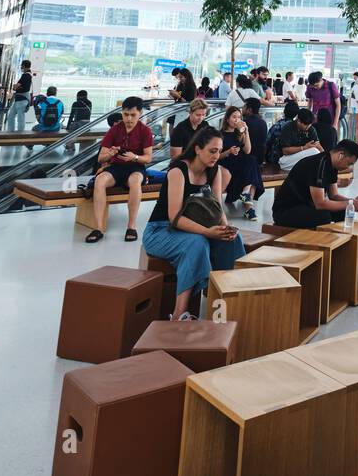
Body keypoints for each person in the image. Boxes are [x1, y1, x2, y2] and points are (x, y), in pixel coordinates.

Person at [141, 125, 245, 320]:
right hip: (161, 230)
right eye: (212, 151)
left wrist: (225, 228)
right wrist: (207, 232)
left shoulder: (215, 172)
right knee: (197, 243)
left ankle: (225, 299)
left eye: (219, 151)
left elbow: (218, 208)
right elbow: (175, 217)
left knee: (232, 240)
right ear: (198, 149)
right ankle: (180, 312)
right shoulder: (178, 170)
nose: (216, 155)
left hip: (195, 229)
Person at [86, 96, 154, 244]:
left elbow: (148, 158)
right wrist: (109, 154)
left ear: (140, 113)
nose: (128, 118)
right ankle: (98, 228)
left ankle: (131, 226)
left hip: (135, 167)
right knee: (100, 180)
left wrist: (134, 157)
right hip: (116, 167)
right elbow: (101, 158)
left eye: (133, 115)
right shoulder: (115, 130)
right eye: (125, 114)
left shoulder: (145, 131)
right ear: (122, 113)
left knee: (135, 181)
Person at [272, 139, 358, 229]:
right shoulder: (319, 164)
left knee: (343, 211)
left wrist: (352, 202)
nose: (348, 167)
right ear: (340, 155)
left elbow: (334, 195)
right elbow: (320, 203)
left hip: (306, 206)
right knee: (323, 216)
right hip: (286, 210)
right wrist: (349, 204)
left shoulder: (331, 165)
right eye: (349, 163)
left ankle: (340, 241)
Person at [219, 105, 263, 220]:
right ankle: (248, 205)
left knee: (252, 160)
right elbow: (216, 157)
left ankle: (246, 197)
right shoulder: (220, 135)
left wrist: (246, 132)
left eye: (239, 117)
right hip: (227, 164)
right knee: (252, 169)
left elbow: (247, 151)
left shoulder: (239, 134)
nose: (237, 120)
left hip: (240, 164)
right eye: (234, 117)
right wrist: (228, 151)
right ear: (227, 119)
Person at [270, 106, 321, 171]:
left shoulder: (311, 129)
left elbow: (318, 146)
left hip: (300, 160)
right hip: (286, 160)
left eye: (310, 124)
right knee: (315, 151)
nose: (308, 127)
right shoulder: (288, 128)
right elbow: (285, 151)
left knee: (318, 153)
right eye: (306, 124)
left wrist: (326, 158)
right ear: (299, 121)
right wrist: (304, 148)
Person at [5, 58, 33, 134]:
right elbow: (17, 86)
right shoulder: (29, 75)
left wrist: (16, 86)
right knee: (11, 115)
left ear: (24, 66)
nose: (21, 68)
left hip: (22, 99)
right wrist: (17, 86)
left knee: (20, 117)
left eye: (21, 66)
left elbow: (15, 87)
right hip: (20, 99)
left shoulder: (25, 75)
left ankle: (19, 133)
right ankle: (11, 131)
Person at [242, 95, 268, 164]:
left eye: (244, 106)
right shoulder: (263, 123)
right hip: (259, 159)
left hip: (247, 159)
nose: (242, 108)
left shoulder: (245, 124)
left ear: (249, 109)